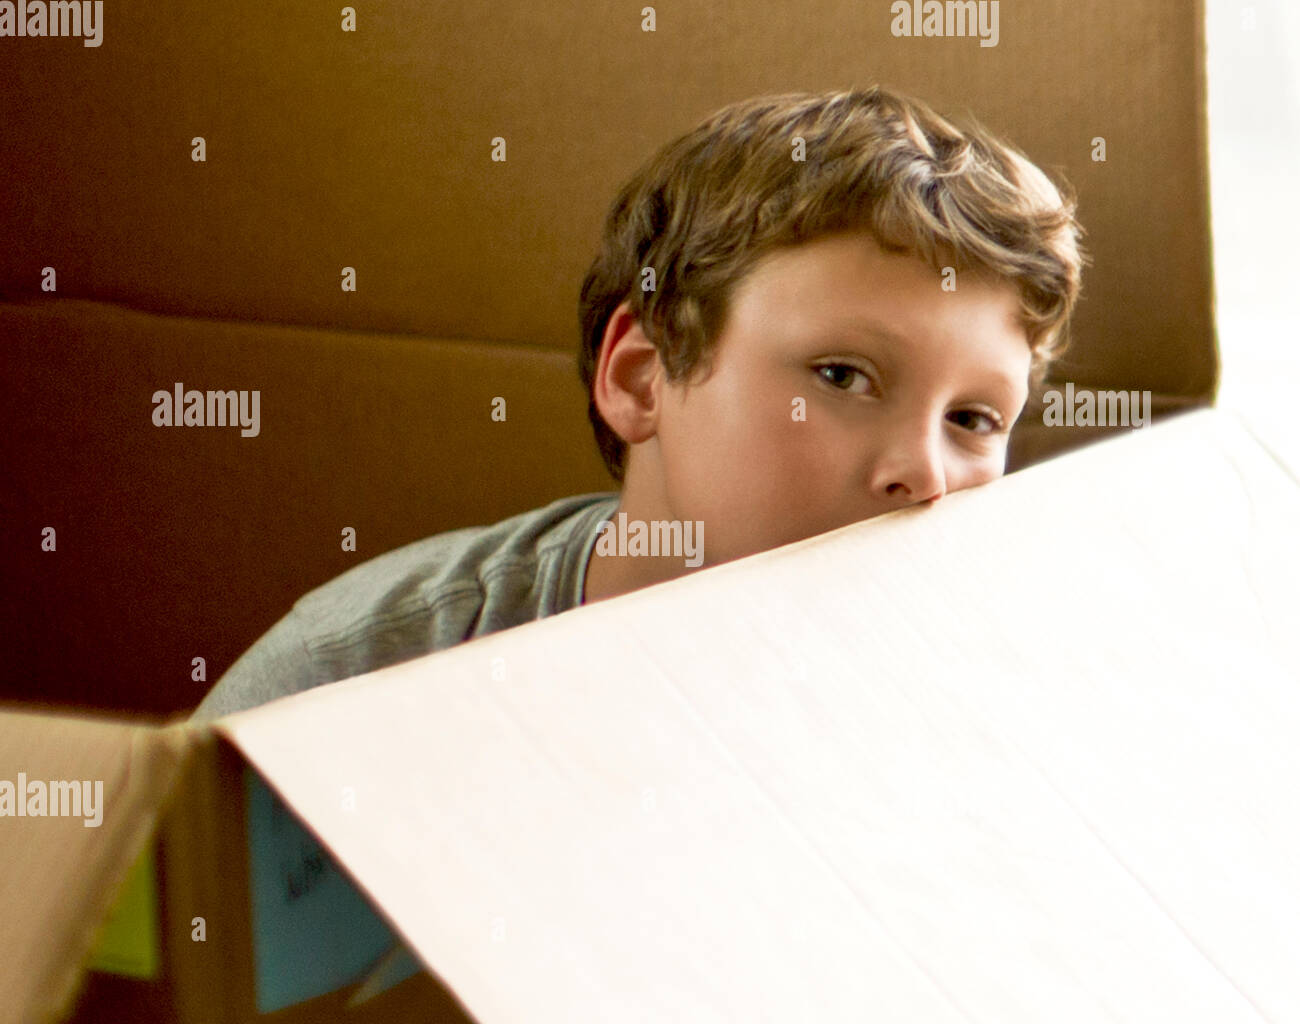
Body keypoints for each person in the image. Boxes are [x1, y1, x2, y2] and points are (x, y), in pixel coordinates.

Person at [191, 84, 1084, 724]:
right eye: (841, 377)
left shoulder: (1008, 701)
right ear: (641, 377)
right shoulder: (344, 686)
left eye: (973, 419)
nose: (924, 474)